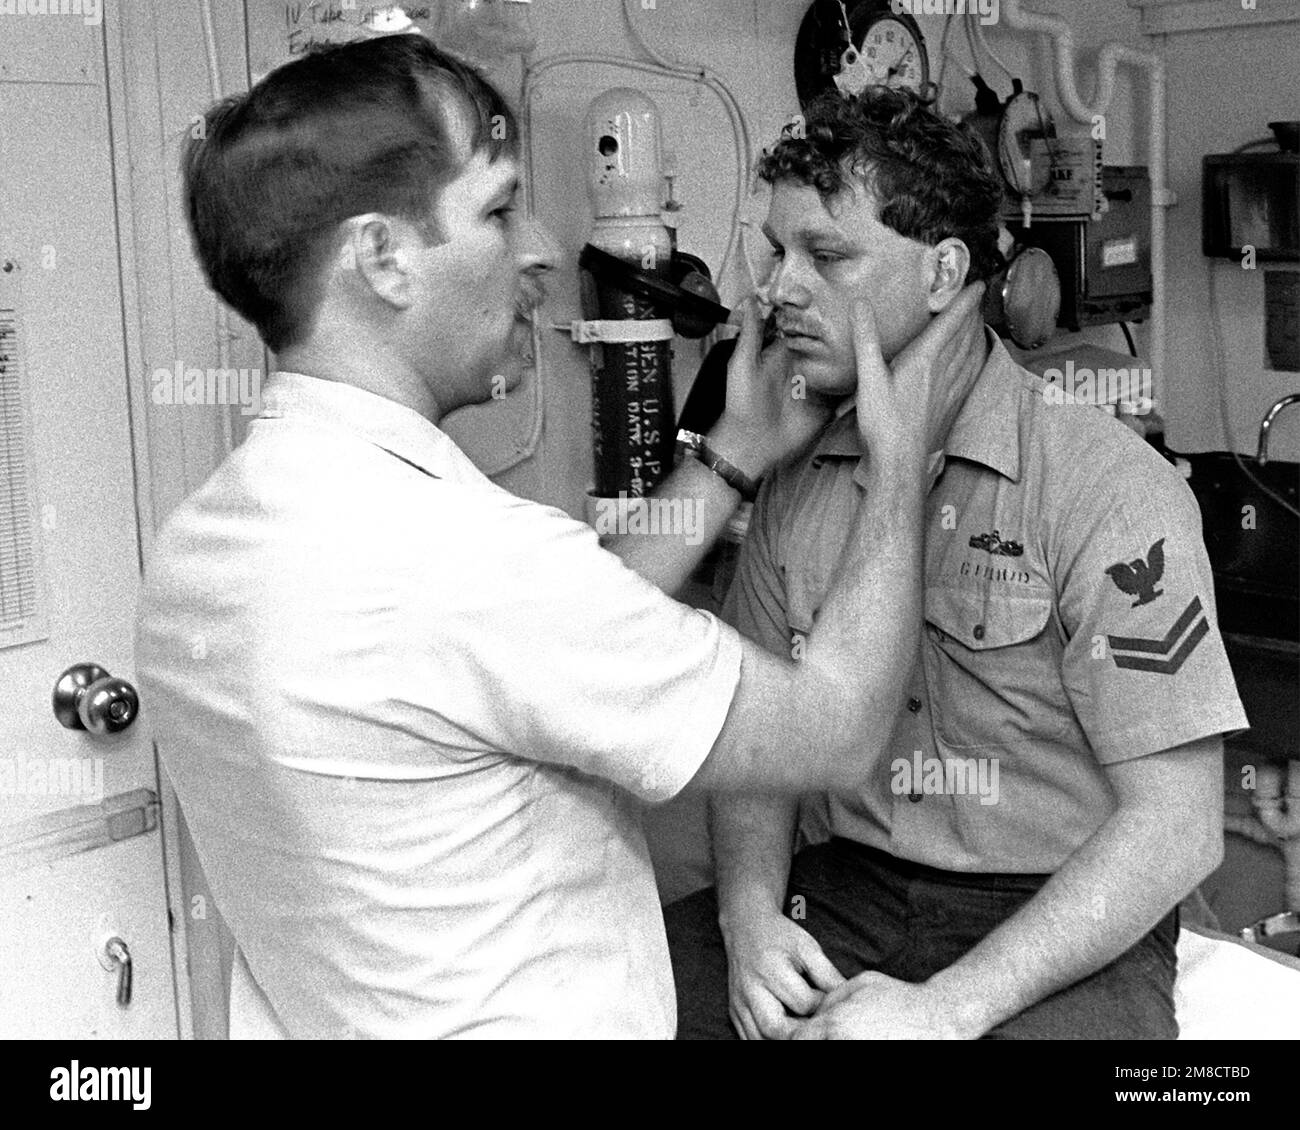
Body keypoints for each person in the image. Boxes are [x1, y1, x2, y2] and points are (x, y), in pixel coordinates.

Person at [135, 36, 987, 1038]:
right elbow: (835, 726)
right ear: (381, 258)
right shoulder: (465, 561)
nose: (540, 246)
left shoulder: (201, 551)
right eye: (496, 210)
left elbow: (538, 647)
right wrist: (898, 460)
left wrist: (729, 455)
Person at [665, 86, 1248, 1041]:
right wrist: (752, 919)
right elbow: (756, 744)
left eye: (827, 255)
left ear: (943, 274)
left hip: (1055, 910)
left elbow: (1178, 827)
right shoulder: (796, 474)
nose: (778, 290)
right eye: (776, 251)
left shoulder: (1107, 488)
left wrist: (948, 1012)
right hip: (846, 886)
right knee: (613, 1002)